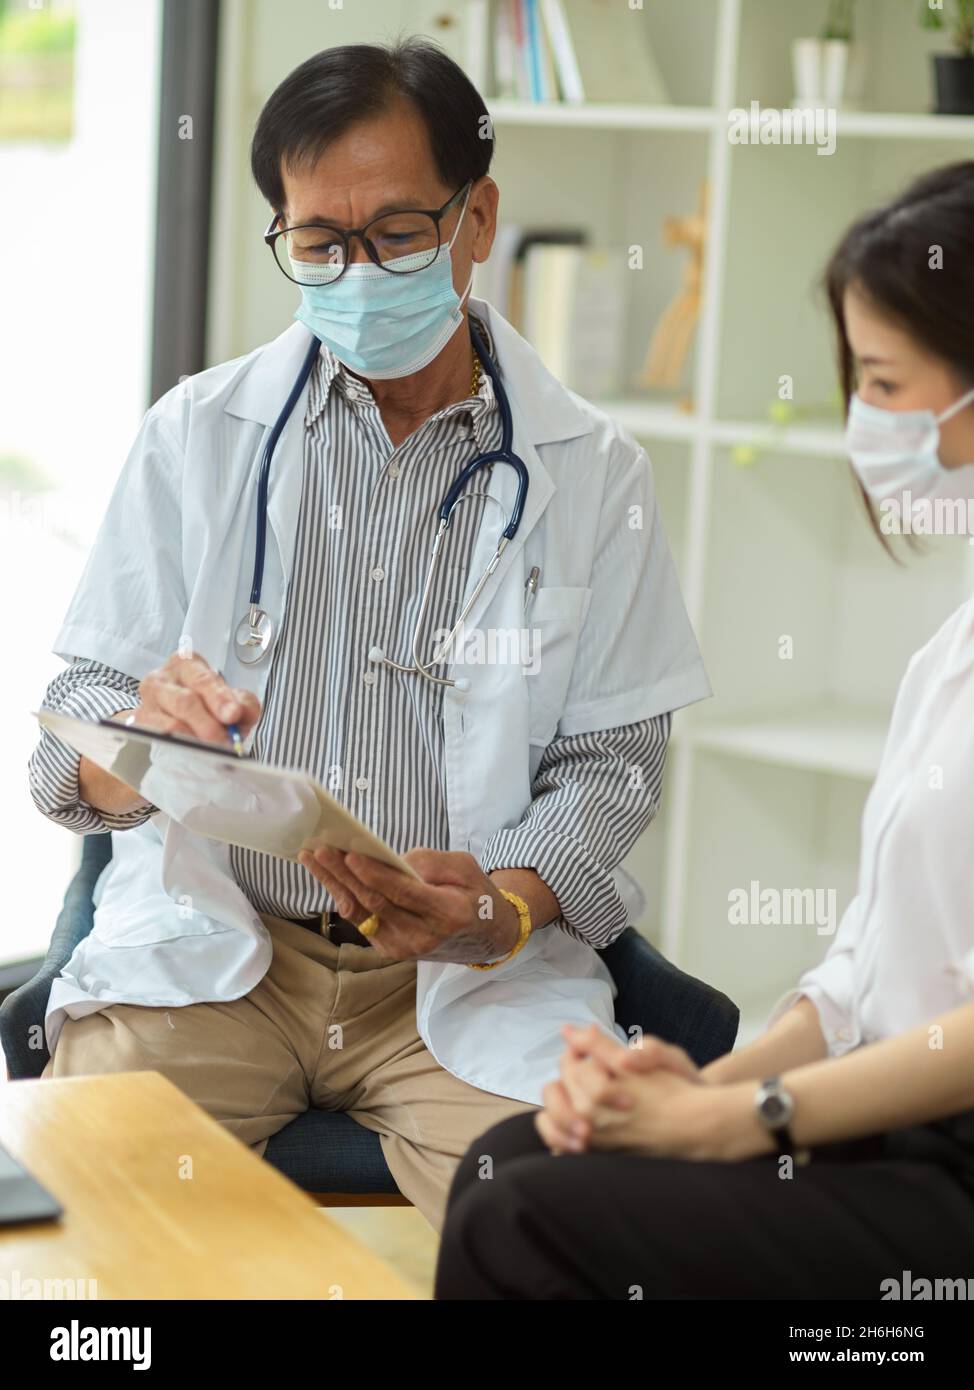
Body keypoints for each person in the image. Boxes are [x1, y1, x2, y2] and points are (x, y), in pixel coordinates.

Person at [27, 39, 710, 1234]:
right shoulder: (199, 434)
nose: (357, 273)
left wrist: (492, 908)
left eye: (398, 234)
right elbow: (65, 753)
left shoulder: (595, 473)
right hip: (220, 955)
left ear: (477, 217)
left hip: (465, 975)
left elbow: (612, 769)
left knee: (580, 1227)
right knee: (81, 1204)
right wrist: (134, 735)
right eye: (318, 243)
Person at [435, 161, 974, 1292]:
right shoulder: (951, 646)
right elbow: (864, 973)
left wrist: (747, 1120)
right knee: (507, 1164)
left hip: (947, 1161)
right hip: (881, 1108)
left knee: (525, 1219)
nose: (862, 425)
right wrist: (703, 1085)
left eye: (882, 380)